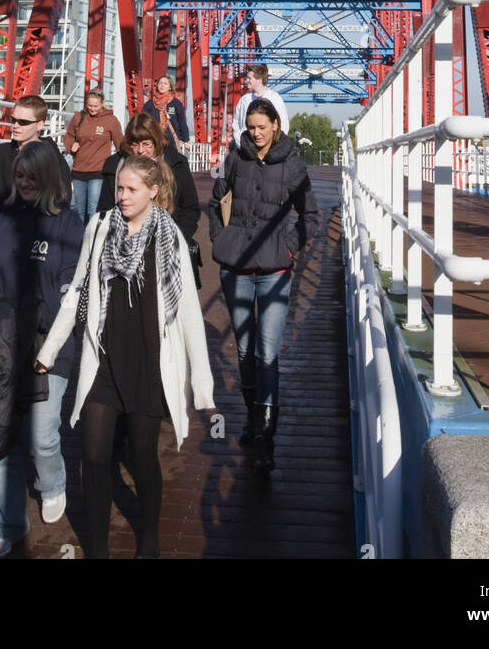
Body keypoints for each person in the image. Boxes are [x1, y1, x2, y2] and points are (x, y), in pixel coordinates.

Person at [36, 155, 214, 559]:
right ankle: (97, 548)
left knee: (143, 455)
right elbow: (78, 291)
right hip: (103, 359)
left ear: (154, 191)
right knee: (94, 454)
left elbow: (187, 309)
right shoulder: (99, 228)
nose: (122, 196)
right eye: (119, 188)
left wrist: (201, 380)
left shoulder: (170, 238)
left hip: (150, 362)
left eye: (132, 189)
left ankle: (148, 538)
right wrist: (50, 350)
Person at [0, 139, 84, 557]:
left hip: (48, 344)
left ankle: (52, 482)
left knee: (42, 435)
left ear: (49, 178)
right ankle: (10, 522)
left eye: (33, 176)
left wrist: (44, 320)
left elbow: (73, 287)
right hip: (0, 341)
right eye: (20, 176)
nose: (25, 182)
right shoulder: (0, 220)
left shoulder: (69, 225)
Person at [209, 97, 320, 473]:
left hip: (275, 268)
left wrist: (289, 248)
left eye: (262, 126)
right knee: (244, 351)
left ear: (276, 125)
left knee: (267, 353)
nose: (255, 133)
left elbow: (310, 215)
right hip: (236, 264)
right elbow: (216, 201)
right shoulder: (235, 157)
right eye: (251, 127)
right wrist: (219, 237)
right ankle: (254, 418)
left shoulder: (291, 163)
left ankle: (266, 436)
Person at [97, 113, 200, 247]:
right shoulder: (114, 166)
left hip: (167, 243)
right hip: (123, 244)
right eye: (134, 144)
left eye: (147, 144)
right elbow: (104, 209)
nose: (141, 150)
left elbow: (190, 209)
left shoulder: (177, 164)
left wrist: (176, 239)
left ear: (156, 141)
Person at [0, 96, 70, 206]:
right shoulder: (2, 152)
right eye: (13, 120)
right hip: (6, 219)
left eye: (23, 122)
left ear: (40, 125)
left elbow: (63, 195)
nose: (15, 126)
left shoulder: (51, 154)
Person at [62, 89, 123, 225]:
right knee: (78, 210)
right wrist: (71, 145)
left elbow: (121, 144)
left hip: (98, 171)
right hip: (78, 170)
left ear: (102, 104)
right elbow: (69, 135)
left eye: (95, 106)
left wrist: (126, 163)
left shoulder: (111, 121)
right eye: (89, 105)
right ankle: (78, 240)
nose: (92, 109)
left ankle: (92, 241)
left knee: (93, 210)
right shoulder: (79, 117)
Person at [231, 64, 289, 148]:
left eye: (249, 78)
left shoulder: (275, 99)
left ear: (259, 80)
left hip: (270, 150)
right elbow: (236, 124)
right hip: (247, 150)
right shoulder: (244, 100)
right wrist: (242, 145)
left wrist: (274, 147)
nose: (247, 80)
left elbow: (283, 125)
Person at [142, 75, 189, 150]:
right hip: (154, 141)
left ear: (170, 87)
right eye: (160, 83)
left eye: (165, 84)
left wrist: (185, 140)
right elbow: (143, 121)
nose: (162, 85)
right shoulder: (150, 104)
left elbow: (182, 122)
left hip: (171, 142)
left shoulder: (176, 103)